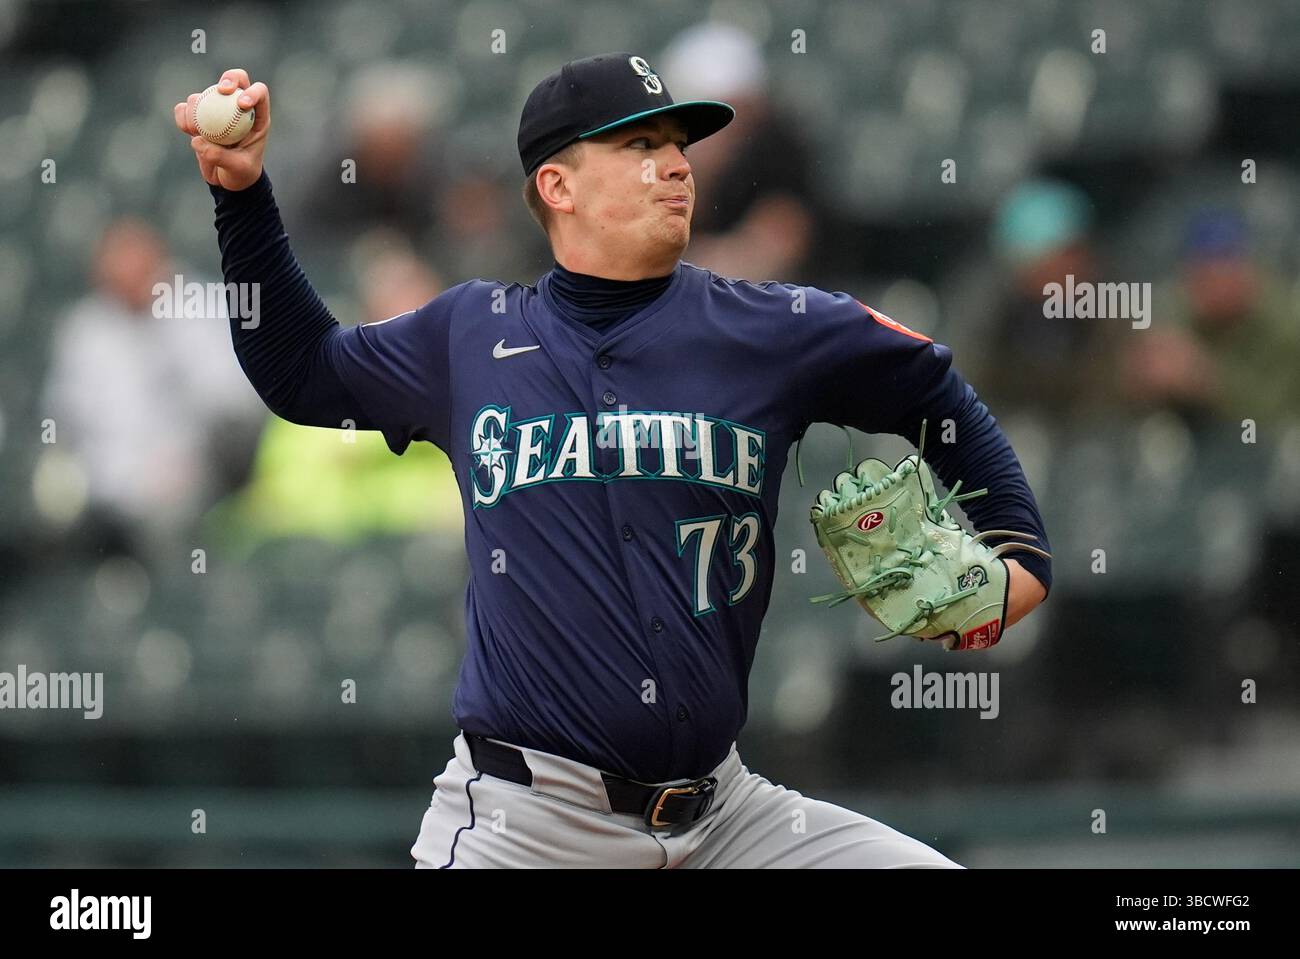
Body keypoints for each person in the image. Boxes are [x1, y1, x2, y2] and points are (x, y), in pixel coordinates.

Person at [175, 53, 1051, 869]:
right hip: (527, 829)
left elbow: (931, 387)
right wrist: (242, 198)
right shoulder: (470, 336)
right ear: (555, 184)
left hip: (729, 821)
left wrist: (1020, 552)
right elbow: (302, 373)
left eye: (679, 146)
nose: (676, 165)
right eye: (640, 145)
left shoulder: (771, 328)